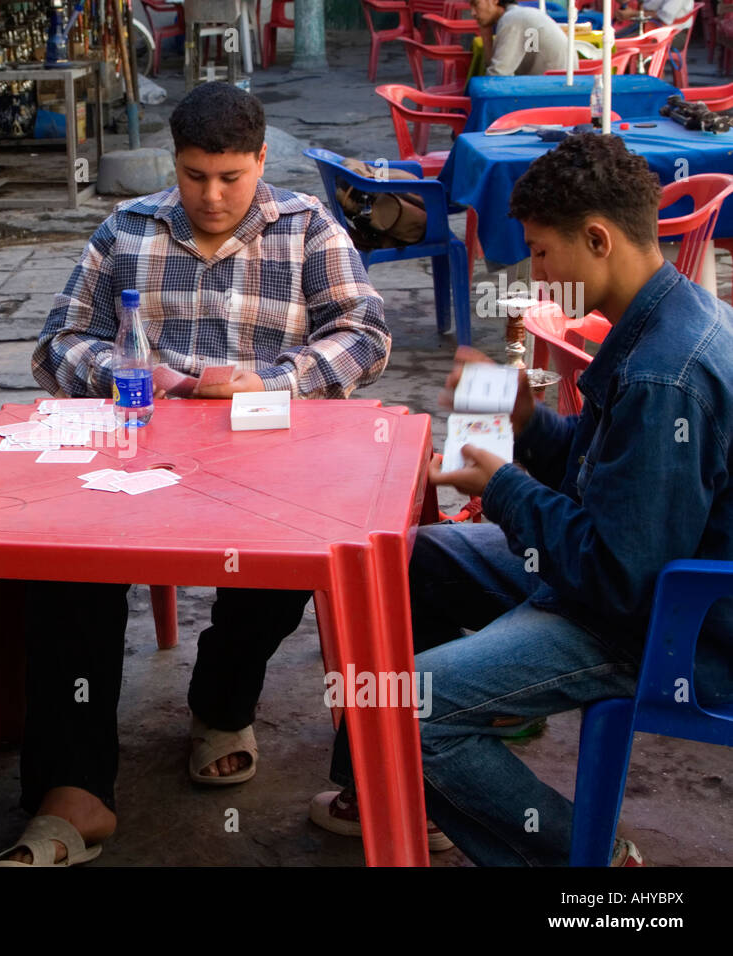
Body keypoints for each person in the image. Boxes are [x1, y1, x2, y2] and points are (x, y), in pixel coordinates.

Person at [309, 133, 733, 865]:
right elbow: (612, 475)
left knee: (400, 707)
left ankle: (583, 860)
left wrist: (500, 489)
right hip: (634, 581)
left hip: (671, 628)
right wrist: (530, 424)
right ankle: (387, 784)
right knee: (423, 556)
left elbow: (618, 576)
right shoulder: (668, 314)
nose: (535, 273)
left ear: (597, 239)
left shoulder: (664, 374)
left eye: (540, 252)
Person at [0, 82, 391, 865]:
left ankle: (220, 699)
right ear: (174, 165)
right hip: (137, 461)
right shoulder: (128, 229)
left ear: (261, 162)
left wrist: (275, 381)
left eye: (230, 178)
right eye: (193, 176)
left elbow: (367, 335)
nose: (211, 197)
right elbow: (58, 343)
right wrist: (135, 373)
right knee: (64, 570)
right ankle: (74, 790)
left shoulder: (308, 229)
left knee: (284, 569)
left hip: (270, 464)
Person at [472, 0, 569, 76]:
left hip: (551, 91)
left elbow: (498, 75)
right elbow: (495, 67)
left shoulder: (511, 19)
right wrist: (486, 33)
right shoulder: (516, 14)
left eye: (476, 4)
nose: (473, 13)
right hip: (555, 85)